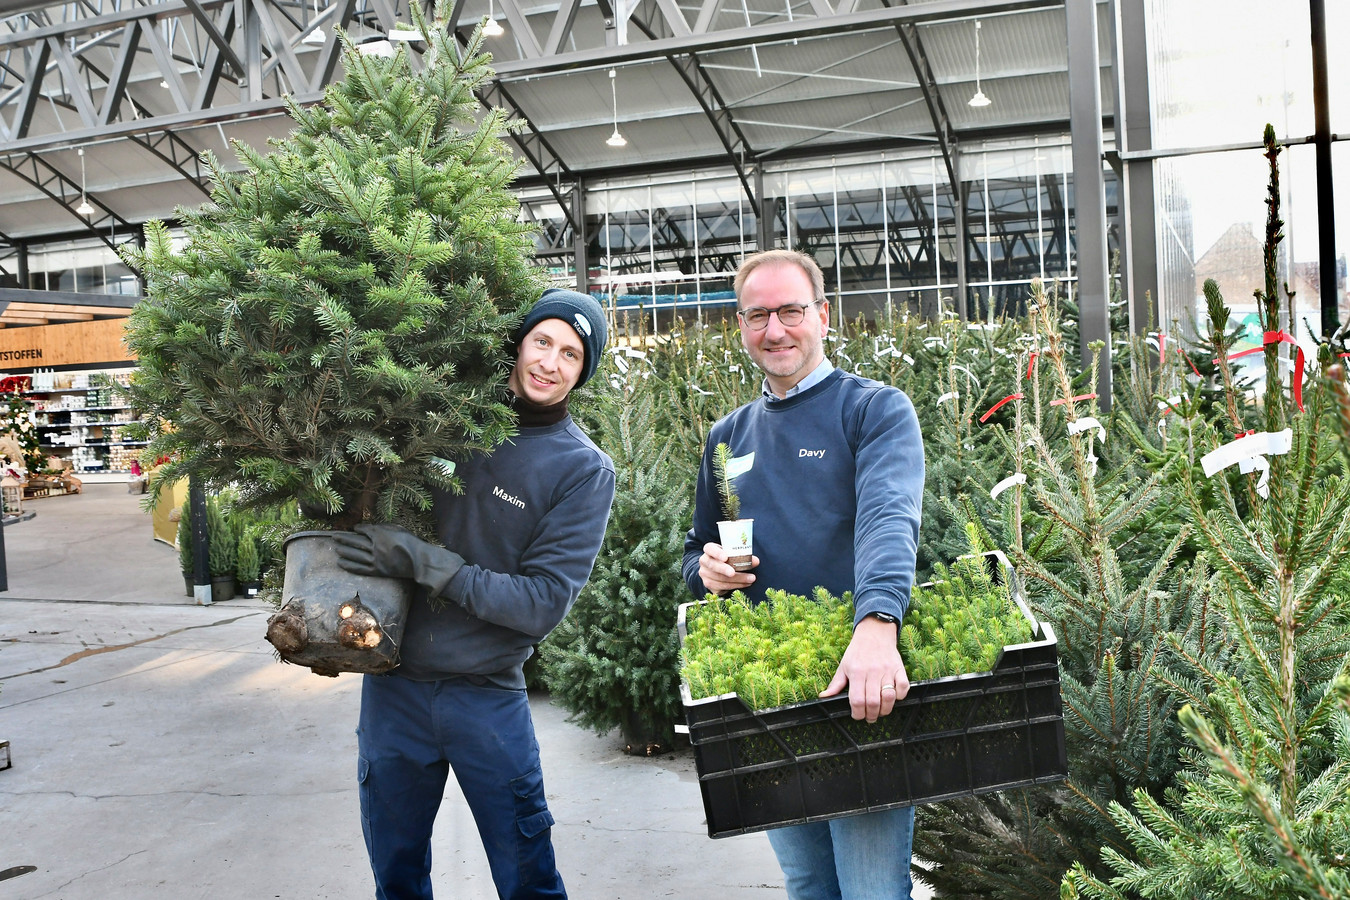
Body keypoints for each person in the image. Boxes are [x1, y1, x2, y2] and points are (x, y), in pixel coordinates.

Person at [333, 288, 617, 900]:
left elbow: (540, 603)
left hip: (485, 699)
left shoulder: (581, 470)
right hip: (394, 691)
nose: (550, 362)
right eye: (542, 341)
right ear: (518, 342)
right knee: (396, 874)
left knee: (527, 878)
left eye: (571, 354)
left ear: (582, 372)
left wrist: (428, 565)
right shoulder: (444, 422)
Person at [681, 249, 925, 900]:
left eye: (790, 310)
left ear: (822, 316)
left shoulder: (873, 411)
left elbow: (887, 517)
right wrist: (705, 571)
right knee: (808, 884)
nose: (775, 329)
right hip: (770, 704)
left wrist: (877, 624)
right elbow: (698, 546)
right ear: (740, 326)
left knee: (872, 890)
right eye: (758, 315)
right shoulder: (728, 438)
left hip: (859, 689)